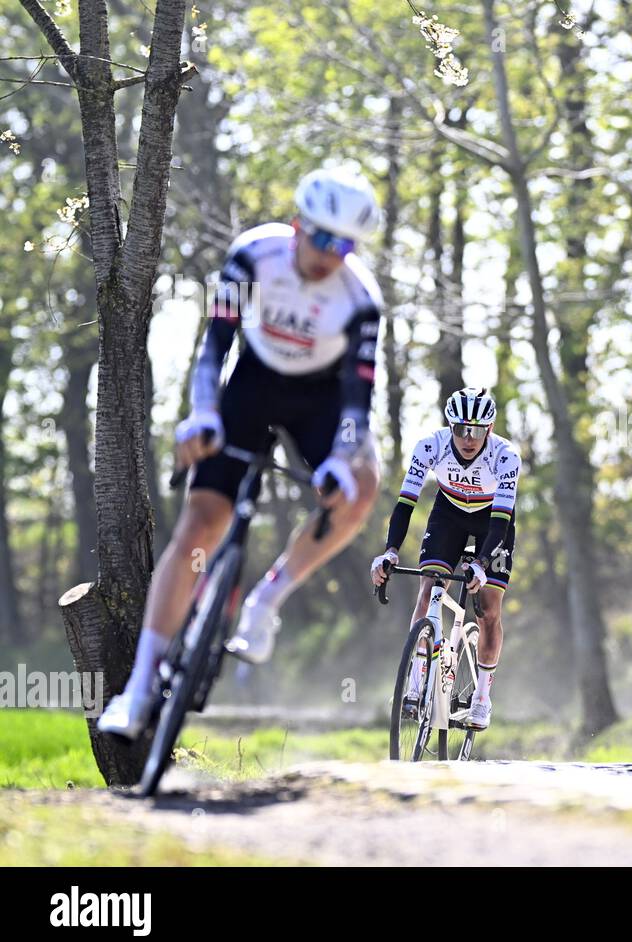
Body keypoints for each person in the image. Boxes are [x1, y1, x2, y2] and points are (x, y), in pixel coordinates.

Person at [99, 166, 384, 738]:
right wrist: (203, 414)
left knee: (363, 486)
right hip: (252, 384)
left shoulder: (360, 301)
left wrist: (339, 457)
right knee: (202, 525)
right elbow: (213, 349)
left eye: (345, 244)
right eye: (323, 237)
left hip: (321, 398)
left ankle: (266, 601)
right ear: (298, 225)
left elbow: (357, 403)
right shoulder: (255, 257)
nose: (331, 254)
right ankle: (138, 688)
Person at [370, 387, 519, 732]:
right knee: (428, 589)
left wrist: (481, 564)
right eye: (461, 429)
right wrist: (390, 550)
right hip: (448, 514)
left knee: (490, 607)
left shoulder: (505, 456)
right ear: (449, 426)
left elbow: (501, 521)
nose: (468, 438)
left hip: (492, 521)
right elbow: (406, 503)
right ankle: (416, 680)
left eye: (478, 430)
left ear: (491, 428)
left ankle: (481, 697)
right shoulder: (430, 446)